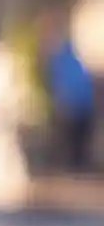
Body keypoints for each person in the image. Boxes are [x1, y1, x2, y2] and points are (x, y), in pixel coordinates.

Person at [40, 12, 96, 171]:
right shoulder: (66, 54)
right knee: (75, 150)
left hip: (77, 106)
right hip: (79, 105)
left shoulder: (64, 54)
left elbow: (66, 83)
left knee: (75, 149)